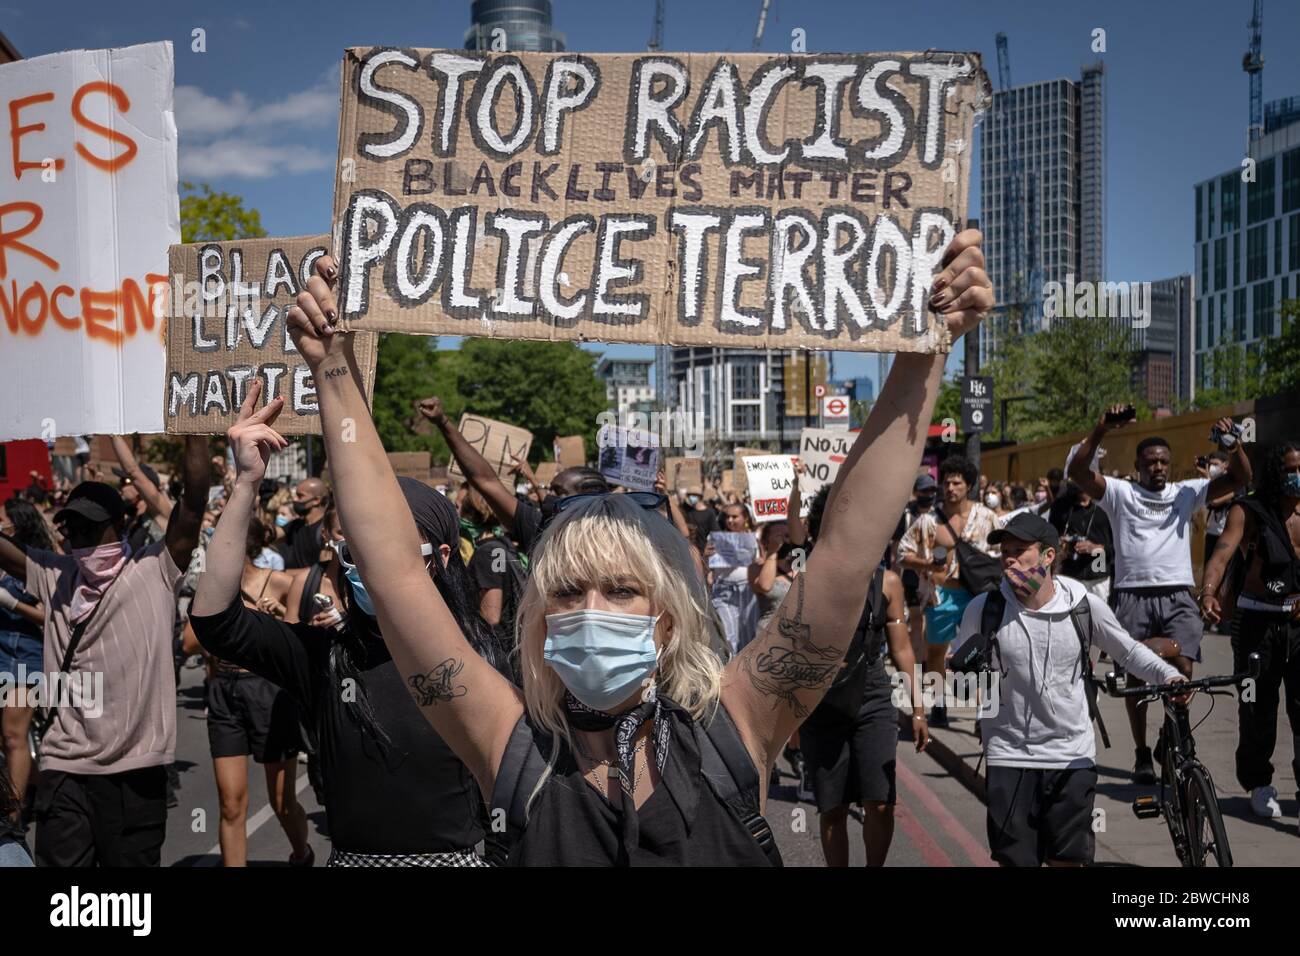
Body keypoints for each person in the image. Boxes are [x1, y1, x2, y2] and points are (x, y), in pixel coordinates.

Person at [280, 227, 991, 865]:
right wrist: (333, 372)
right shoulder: (511, 749)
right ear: (538, 619)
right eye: (566, 592)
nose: (592, 610)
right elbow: (397, 573)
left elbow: (843, 553)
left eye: (620, 589)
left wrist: (923, 356)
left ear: (669, 617)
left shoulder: (735, 730)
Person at [190, 381, 506, 866]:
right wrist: (246, 484)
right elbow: (216, 622)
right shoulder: (326, 658)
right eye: (358, 550)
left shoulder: (484, 657)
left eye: (393, 550)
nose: (376, 567)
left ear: (439, 558)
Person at [0, 436, 208, 866]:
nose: (82, 539)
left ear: (120, 524)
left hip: (135, 774)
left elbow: (192, 505)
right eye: (73, 529)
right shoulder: (53, 574)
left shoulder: (155, 569)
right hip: (65, 770)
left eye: (92, 528)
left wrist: (195, 431)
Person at [950, 513, 1185, 866]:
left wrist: (1169, 676)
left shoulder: (1083, 606)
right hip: (1008, 756)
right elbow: (963, 685)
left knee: (1069, 861)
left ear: (1048, 556)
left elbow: (1128, 650)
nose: (1009, 559)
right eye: (1004, 552)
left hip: (1071, 756)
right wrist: (964, 674)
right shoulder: (984, 610)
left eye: (1019, 550)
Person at [1068, 406, 1251, 783]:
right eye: (1150, 462)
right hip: (1133, 596)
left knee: (1183, 667)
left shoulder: (1187, 493)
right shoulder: (1121, 493)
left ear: (1170, 464)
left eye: (1163, 462)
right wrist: (1102, 428)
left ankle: (1170, 735)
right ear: (1138, 465)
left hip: (1178, 596)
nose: (1158, 468)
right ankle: (1141, 753)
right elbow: (1077, 473)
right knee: (1137, 678)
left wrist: (1234, 445)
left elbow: (1241, 477)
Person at [793, 485, 927, 866]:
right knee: (832, 807)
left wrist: (918, 708)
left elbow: (901, 649)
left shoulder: (886, 583)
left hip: (872, 696)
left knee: (880, 801)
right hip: (822, 701)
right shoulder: (807, 576)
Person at [183, 516, 309, 866]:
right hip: (224, 690)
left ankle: (302, 854)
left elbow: (300, 644)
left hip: (269, 691)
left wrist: (279, 616)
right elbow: (190, 643)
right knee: (230, 802)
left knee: (282, 801)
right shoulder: (211, 587)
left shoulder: (282, 583)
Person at [1200, 440, 1300, 822]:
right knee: (1256, 704)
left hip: (1298, 626)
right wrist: (1208, 592)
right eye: (1290, 469)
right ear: (1275, 471)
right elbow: (1222, 553)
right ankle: (1259, 783)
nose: (1296, 477)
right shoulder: (1250, 509)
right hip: (1255, 624)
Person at [414, 395, 608, 554]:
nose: (548, 496)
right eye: (549, 489)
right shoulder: (540, 530)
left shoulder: (617, 544)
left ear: (587, 499)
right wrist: (444, 423)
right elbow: (485, 480)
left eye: (558, 491)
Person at [896, 454, 998, 727]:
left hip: (978, 594)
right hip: (939, 595)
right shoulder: (929, 520)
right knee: (937, 652)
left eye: (957, 483)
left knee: (984, 653)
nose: (951, 488)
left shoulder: (987, 517)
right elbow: (902, 553)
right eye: (947, 483)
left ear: (969, 486)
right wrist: (926, 563)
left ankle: (983, 711)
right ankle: (939, 702)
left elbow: (1003, 553)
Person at [0, 498, 51, 823]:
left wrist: (11, 603)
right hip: (0, 654)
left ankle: (12, 818)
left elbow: (50, 617)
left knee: (13, 735)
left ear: (16, 525)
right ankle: (49, 790)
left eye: (2, 519)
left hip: (26, 658)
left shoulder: (37, 565)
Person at [1049, 482, 1115, 606]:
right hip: (1068, 574)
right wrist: (1060, 544)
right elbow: (1050, 537)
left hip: (1097, 574)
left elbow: (1117, 545)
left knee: (1097, 616)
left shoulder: (1106, 506)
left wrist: (1096, 548)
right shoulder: (1060, 506)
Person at [709, 502, 760, 653]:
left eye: (734, 517)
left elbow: (764, 563)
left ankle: (744, 670)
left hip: (747, 590)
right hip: (723, 590)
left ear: (745, 518)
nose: (730, 520)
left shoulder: (756, 539)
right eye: (727, 517)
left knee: (747, 634)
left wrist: (761, 561)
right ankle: (730, 668)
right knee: (727, 634)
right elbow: (708, 567)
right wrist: (706, 556)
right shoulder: (716, 539)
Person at [277, 478, 329, 569]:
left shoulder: (326, 529)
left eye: (300, 496)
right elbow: (272, 535)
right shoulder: (296, 524)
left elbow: (323, 570)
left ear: (316, 500)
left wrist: (286, 575)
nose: (294, 499)